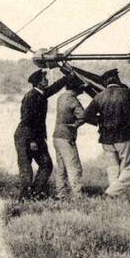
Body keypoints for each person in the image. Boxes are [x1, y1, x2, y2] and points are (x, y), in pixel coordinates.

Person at [80, 69, 130, 196]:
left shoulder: (99, 97)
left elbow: (85, 116)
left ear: (105, 82)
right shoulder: (126, 93)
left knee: (113, 168)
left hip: (106, 139)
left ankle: (114, 197)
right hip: (124, 137)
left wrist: (101, 120)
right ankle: (110, 193)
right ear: (117, 79)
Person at [15, 68, 79, 200]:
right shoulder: (31, 97)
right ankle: (24, 198)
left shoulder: (40, 94)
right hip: (26, 137)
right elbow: (27, 120)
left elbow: (54, 88)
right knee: (26, 169)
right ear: (39, 83)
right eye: (44, 78)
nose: (47, 80)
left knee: (46, 165)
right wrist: (32, 141)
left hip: (34, 136)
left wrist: (67, 77)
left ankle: (35, 194)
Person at [51, 75, 92, 198]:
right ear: (76, 87)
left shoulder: (61, 97)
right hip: (67, 137)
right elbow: (83, 116)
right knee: (74, 167)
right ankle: (78, 195)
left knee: (61, 168)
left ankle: (61, 194)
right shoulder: (73, 100)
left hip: (57, 136)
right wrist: (76, 125)